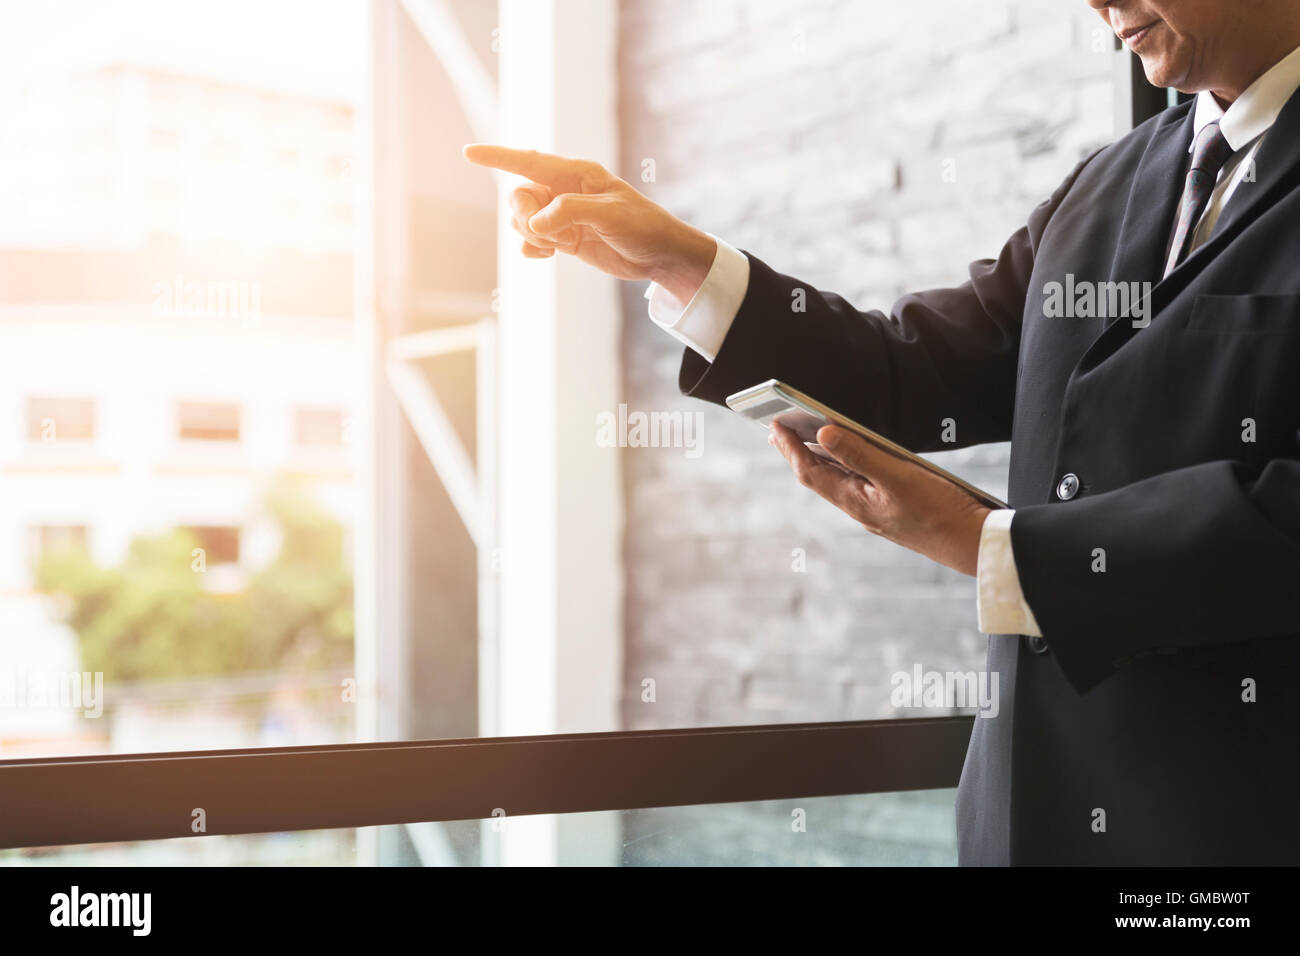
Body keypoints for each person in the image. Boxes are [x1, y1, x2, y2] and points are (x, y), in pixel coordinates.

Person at [465, 0, 1300, 865]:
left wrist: (990, 547)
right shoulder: (1110, 180)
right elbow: (914, 365)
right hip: (1022, 825)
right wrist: (680, 259)